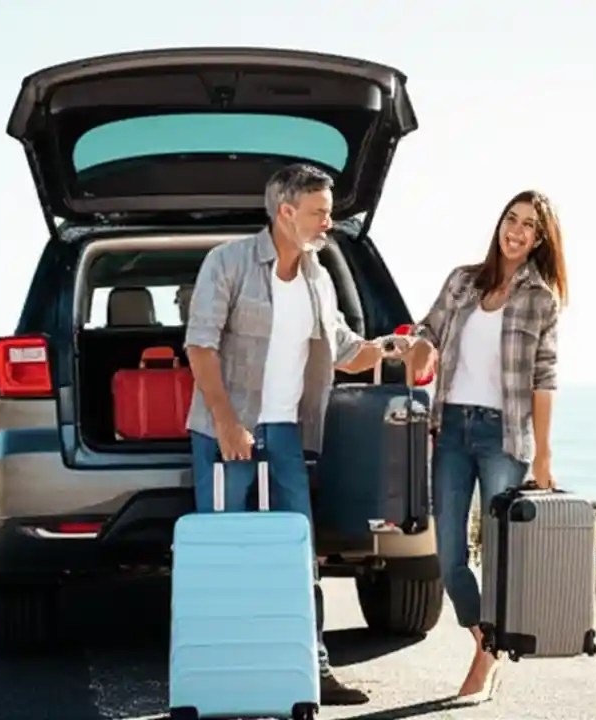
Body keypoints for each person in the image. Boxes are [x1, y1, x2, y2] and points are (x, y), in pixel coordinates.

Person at [182, 163, 394, 706]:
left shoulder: (319, 277)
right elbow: (200, 345)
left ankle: (310, 669)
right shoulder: (226, 263)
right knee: (229, 553)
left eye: (330, 211)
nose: (329, 221)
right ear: (286, 212)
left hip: (288, 436)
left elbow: (346, 349)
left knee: (298, 553)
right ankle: (225, 675)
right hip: (227, 430)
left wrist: (396, 349)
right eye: (320, 212)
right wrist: (228, 423)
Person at [399, 189, 568, 702]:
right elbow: (427, 328)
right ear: (500, 223)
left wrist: (542, 454)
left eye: (528, 227)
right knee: (449, 555)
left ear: (540, 239)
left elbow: (545, 376)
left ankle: (486, 658)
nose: (516, 231)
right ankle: (483, 635)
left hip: (504, 435)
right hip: (450, 429)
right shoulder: (462, 280)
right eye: (510, 220)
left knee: (499, 558)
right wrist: (421, 346)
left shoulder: (540, 298)